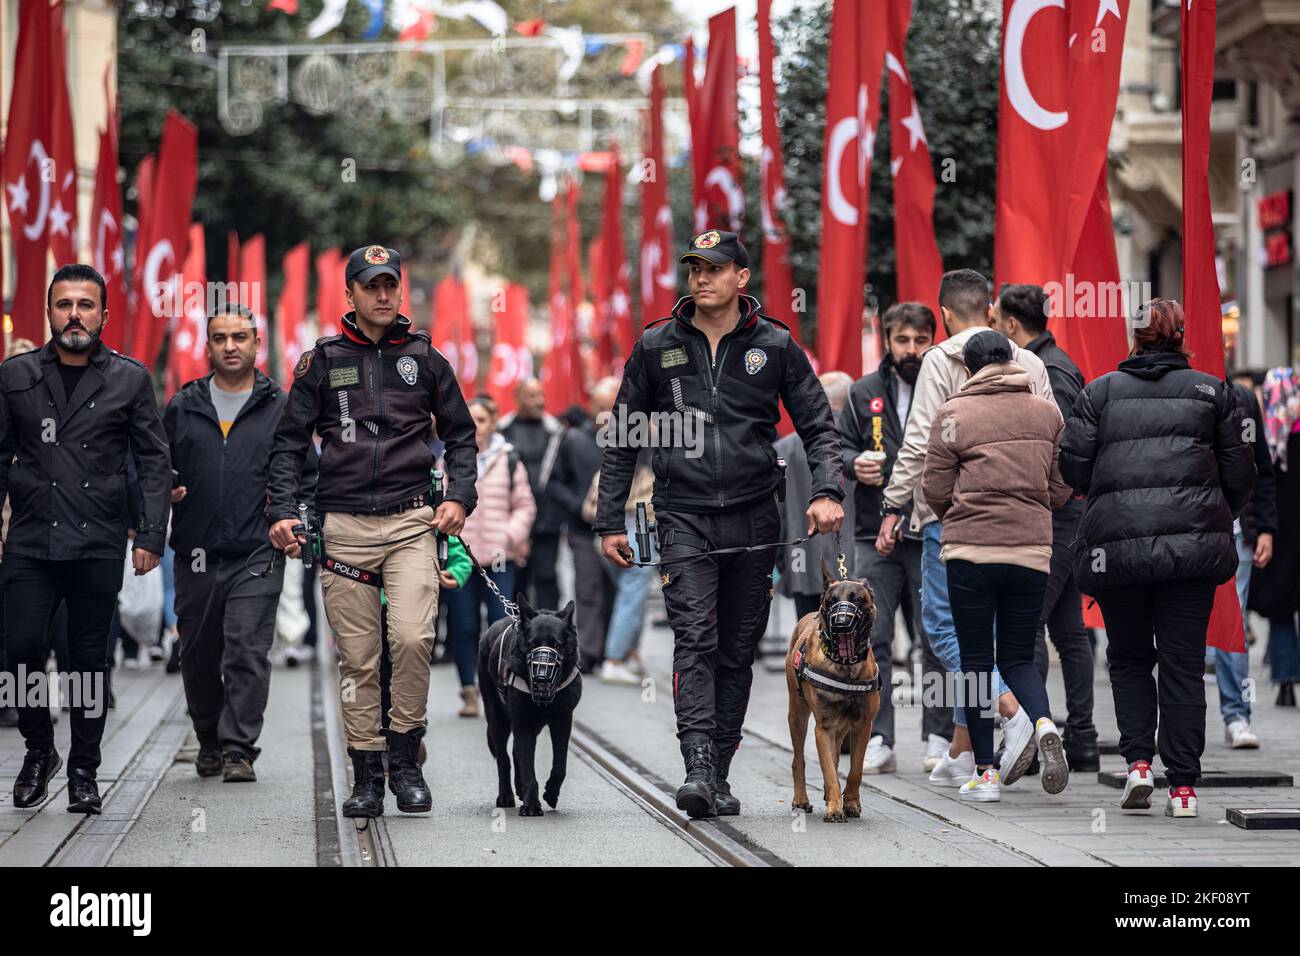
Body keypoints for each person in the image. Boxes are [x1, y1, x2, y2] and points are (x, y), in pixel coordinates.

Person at [595, 229, 845, 819]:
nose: (701, 278)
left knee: (737, 648)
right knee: (695, 639)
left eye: (713, 269)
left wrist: (829, 490)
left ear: (741, 277)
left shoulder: (776, 345)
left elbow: (818, 425)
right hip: (682, 517)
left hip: (758, 519)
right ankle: (698, 767)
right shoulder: (657, 345)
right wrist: (610, 521)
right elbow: (624, 437)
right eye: (693, 269)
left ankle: (721, 770)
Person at [267, 245, 477, 818]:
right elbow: (287, 444)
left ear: (401, 290)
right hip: (343, 525)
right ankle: (366, 771)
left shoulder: (427, 358)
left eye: (391, 285)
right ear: (351, 295)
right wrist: (282, 511)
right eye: (371, 286)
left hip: (413, 522)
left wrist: (460, 496)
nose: (383, 295)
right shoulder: (321, 362)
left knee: (411, 639)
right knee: (358, 658)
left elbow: (461, 435)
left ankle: (405, 761)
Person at [1061, 298, 1255, 819]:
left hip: (1117, 550)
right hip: (1190, 553)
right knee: (1184, 664)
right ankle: (1185, 789)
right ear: (1180, 335)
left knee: (1127, 658)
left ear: (1136, 337)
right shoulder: (1214, 392)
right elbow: (1241, 474)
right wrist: (1211, 514)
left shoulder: (1099, 392)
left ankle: (1140, 765)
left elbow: (1072, 468)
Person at [1, 264, 171, 813]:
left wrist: (149, 534)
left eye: (85, 305)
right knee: (23, 649)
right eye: (63, 304)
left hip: (97, 539)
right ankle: (37, 751)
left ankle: (83, 771)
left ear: (103, 313)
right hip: (30, 537)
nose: (74, 315)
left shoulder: (129, 378)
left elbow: (153, 461)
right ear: (49, 311)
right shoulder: (16, 375)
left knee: (88, 660)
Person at [877, 270, 1055, 789]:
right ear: (994, 312)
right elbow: (1055, 446)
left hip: (957, 524)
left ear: (947, 316)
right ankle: (966, 750)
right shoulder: (1032, 363)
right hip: (1029, 529)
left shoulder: (939, 360)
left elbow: (921, 448)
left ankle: (1010, 711)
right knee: (1004, 641)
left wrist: (897, 505)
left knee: (947, 630)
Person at [165, 304, 318, 782]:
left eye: (239, 337)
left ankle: (238, 749)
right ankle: (208, 738)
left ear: (257, 344)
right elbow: (151, 469)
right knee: (198, 654)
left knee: (247, 651)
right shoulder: (182, 406)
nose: (230, 346)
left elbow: (309, 478)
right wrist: (161, 495)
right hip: (195, 554)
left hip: (257, 554)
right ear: (207, 345)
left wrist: (296, 523)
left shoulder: (281, 407)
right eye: (220, 337)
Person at [921, 331, 1073, 801]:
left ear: (968, 370)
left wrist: (959, 518)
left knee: (974, 662)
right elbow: (1062, 484)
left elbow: (934, 487)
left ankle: (985, 775)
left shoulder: (953, 414)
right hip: (1030, 552)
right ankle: (1044, 721)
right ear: (1012, 361)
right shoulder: (1047, 412)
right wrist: (1034, 506)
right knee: (1018, 654)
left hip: (972, 553)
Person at [838, 302, 952, 774]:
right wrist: (851, 463)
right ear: (886, 340)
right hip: (872, 531)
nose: (911, 350)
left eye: (920, 340)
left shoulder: (946, 385)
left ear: (933, 339)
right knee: (873, 637)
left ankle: (938, 736)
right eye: (902, 340)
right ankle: (878, 737)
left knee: (934, 637)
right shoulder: (863, 392)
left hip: (928, 527)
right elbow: (836, 443)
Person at [995, 283, 1097, 771]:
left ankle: (1037, 735)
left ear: (1012, 325)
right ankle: (1082, 737)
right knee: (1069, 630)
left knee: (1028, 624)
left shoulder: (1046, 369)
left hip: (1057, 515)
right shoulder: (1060, 362)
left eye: (998, 322)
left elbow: (1067, 445)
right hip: (1070, 513)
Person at [442, 396, 535, 717]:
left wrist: (510, 535)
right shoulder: (448, 460)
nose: (476, 427)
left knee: (501, 625)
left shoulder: (509, 459)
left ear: (493, 422)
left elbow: (525, 505)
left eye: (482, 420)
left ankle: (500, 689)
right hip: (461, 558)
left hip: (499, 558)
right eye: (471, 420)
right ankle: (469, 691)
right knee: (464, 626)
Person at [1210, 372, 1276, 747]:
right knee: (1173, 628)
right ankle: (1168, 718)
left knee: (1233, 627)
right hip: (1190, 531)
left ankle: (1237, 713)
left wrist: (1265, 527)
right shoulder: (1181, 393)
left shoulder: (1243, 401)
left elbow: (1261, 468)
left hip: (1238, 532)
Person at [548, 378, 619, 671]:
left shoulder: (630, 439)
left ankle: (614, 649)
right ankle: (588, 652)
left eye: (610, 408)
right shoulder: (574, 440)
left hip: (620, 529)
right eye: (599, 407)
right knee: (587, 590)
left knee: (616, 590)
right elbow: (553, 483)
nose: (604, 414)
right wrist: (579, 507)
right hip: (582, 530)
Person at [776, 371, 856, 621]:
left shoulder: (784, 449)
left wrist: (781, 561)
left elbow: (776, 513)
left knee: (809, 636)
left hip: (802, 559)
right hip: (855, 561)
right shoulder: (861, 443)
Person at [1246, 366, 1299, 706]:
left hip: (1281, 538)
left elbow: (1260, 484)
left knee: (1282, 610)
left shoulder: (1270, 436)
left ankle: (1284, 681)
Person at [499, 379, 566, 610]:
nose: (539, 401)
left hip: (548, 521)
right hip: (513, 522)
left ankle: (551, 634)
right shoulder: (503, 430)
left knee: (547, 578)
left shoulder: (556, 430)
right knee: (517, 581)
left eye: (541, 395)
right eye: (532, 396)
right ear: (518, 398)